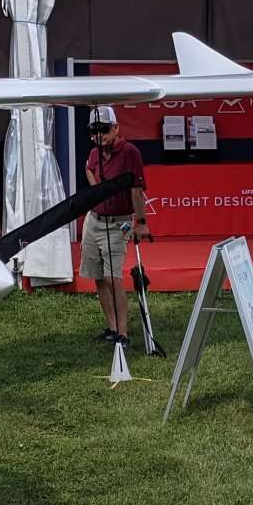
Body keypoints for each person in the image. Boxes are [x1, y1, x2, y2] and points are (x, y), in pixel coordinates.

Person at [81, 105, 150, 347]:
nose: (99, 135)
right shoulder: (94, 153)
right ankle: (112, 328)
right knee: (98, 277)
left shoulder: (130, 152)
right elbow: (89, 168)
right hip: (94, 221)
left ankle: (123, 333)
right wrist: (97, 190)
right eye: (94, 131)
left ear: (116, 128)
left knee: (113, 278)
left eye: (104, 130)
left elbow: (137, 189)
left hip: (117, 224)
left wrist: (141, 223)